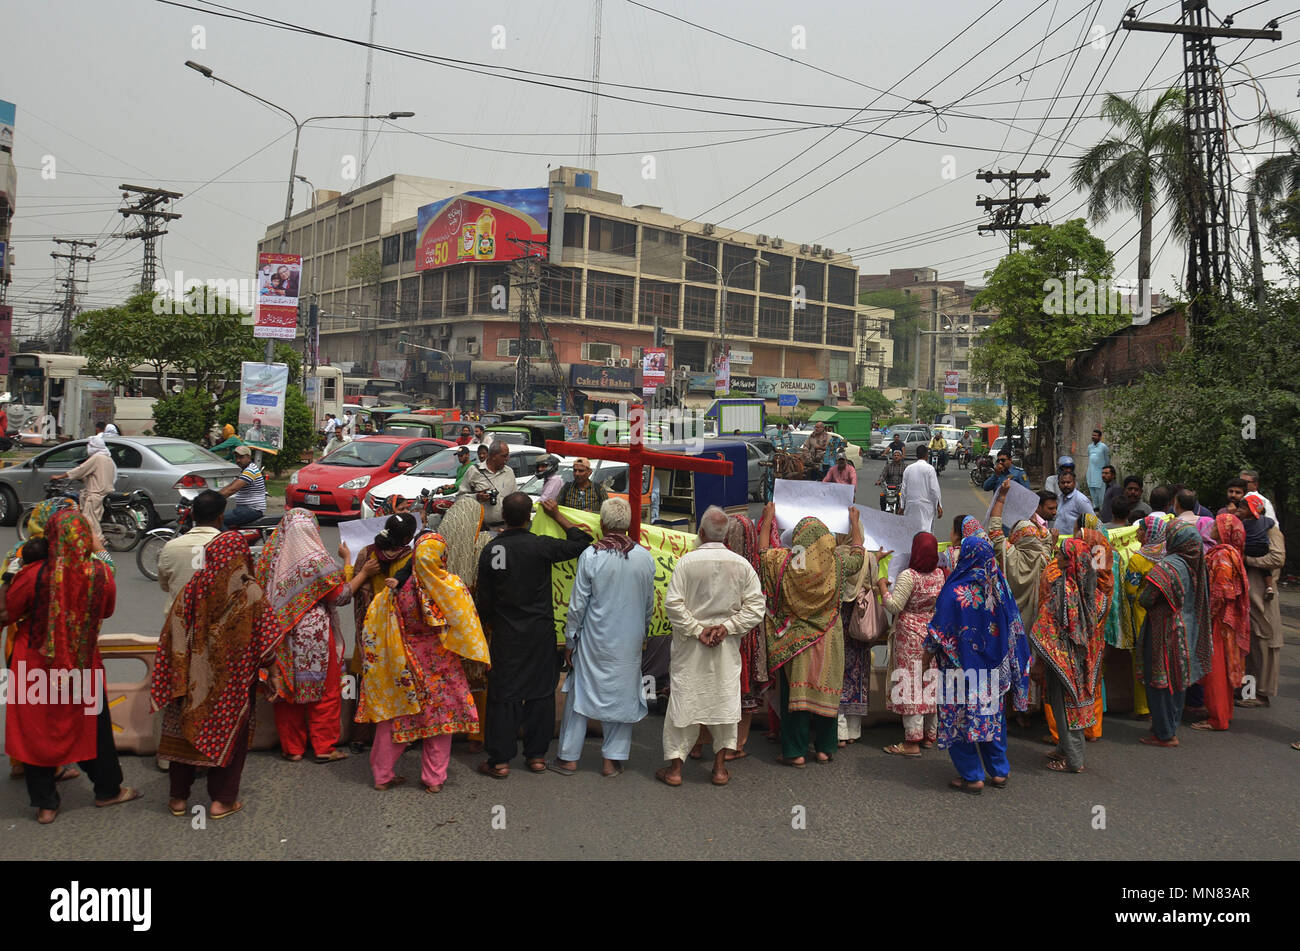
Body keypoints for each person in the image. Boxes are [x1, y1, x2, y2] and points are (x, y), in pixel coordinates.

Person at [6, 511, 139, 824]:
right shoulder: (100, 574)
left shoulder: (33, 573)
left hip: (35, 663)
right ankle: (107, 791)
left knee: (37, 730)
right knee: (93, 726)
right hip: (81, 664)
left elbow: (11, 609)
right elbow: (106, 611)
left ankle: (46, 806)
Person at [152, 528, 277, 820]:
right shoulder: (250, 591)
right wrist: (272, 672)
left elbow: (173, 632)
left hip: (189, 678)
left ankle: (178, 799)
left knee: (182, 730)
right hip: (230, 683)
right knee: (230, 733)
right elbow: (267, 640)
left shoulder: (193, 586)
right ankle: (222, 801)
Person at [356, 532, 489, 793]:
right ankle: (434, 780)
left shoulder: (394, 588)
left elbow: (375, 623)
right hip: (441, 665)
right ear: (441, 556)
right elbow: (466, 622)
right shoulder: (450, 586)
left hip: (402, 662)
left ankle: (382, 776)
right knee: (441, 719)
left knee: (395, 717)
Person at [475, 494, 592, 778]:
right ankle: (537, 756)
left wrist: (487, 626)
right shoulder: (540, 545)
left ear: (503, 514)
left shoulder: (493, 550)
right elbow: (582, 542)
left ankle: (500, 761)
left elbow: (484, 600)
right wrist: (557, 516)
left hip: (506, 634)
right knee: (541, 692)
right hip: (540, 632)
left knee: (504, 695)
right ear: (530, 516)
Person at [657, 507, 765, 787]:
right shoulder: (742, 565)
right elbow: (756, 608)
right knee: (724, 703)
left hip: (691, 648)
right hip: (725, 648)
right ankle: (718, 770)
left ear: (701, 533)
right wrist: (726, 628)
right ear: (726, 534)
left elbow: (673, 605)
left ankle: (675, 771)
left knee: (684, 701)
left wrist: (697, 630)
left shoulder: (686, 563)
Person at [551, 497, 656, 777]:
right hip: (629, 641)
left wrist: (570, 641)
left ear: (603, 524)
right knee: (622, 696)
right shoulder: (644, 557)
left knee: (579, 695)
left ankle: (569, 758)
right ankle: (612, 760)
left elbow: (577, 605)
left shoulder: (591, 556)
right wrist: (641, 635)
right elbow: (649, 605)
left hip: (593, 640)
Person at [758, 503, 865, 768]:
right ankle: (825, 749)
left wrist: (768, 518)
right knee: (826, 692)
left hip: (796, 640)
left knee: (796, 695)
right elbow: (859, 556)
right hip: (829, 637)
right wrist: (855, 523)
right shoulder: (837, 563)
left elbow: (762, 553)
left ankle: (794, 752)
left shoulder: (786, 563)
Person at [925, 533, 1031, 794]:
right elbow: (1014, 627)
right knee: (990, 720)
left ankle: (972, 776)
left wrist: (924, 660)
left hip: (958, 672)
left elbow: (938, 631)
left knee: (958, 721)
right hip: (992, 672)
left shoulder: (954, 591)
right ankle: (999, 771)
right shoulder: (1000, 589)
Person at [259, 509, 365, 764]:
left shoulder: (268, 557)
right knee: (325, 689)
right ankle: (323, 747)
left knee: (286, 688)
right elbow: (340, 596)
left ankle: (292, 748)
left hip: (280, 634)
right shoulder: (316, 560)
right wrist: (358, 570)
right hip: (315, 634)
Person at [1031, 539, 1110, 773]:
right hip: (1082, 660)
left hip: (1064, 659)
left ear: (1073, 560)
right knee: (1064, 704)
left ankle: (1073, 760)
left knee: (1066, 707)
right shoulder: (1092, 589)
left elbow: (1046, 623)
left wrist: (1038, 660)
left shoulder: (1063, 591)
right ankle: (1064, 748)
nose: (1057, 559)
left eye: (1063, 556)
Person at [344, 513, 419, 752]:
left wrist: (347, 559)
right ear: (408, 538)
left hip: (370, 634)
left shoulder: (367, 554)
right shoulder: (411, 559)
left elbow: (349, 587)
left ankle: (360, 737)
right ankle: (402, 735)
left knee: (368, 685)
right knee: (401, 684)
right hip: (399, 634)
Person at [1137, 522, 1211, 748]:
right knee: (1178, 680)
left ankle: (1164, 733)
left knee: (1159, 679)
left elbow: (1146, 598)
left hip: (1163, 630)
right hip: (1185, 629)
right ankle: (1169, 725)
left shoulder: (1167, 567)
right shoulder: (1195, 565)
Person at [878, 530, 944, 755]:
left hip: (909, 635)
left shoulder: (909, 576)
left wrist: (883, 588)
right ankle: (930, 735)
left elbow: (895, 606)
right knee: (929, 682)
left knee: (910, 685)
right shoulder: (939, 575)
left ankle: (911, 741)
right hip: (931, 633)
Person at [1190, 513, 1250, 732]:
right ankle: (1224, 712)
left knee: (1215, 669)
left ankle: (1217, 719)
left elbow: (1221, 591)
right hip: (1227, 619)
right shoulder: (1231, 552)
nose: (1213, 526)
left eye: (1217, 524)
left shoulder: (1222, 555)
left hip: (1219, 620)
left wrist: (1208, 614)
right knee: (1222, 668)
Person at [1237, 498, 1285, 709]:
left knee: (1265, 643)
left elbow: (1277, 558)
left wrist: (1249, 560)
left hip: (1263, 597)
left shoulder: (1271, 529)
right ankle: (1249, 692)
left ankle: (1262, 694)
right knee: (1251, 646)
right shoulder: (1246, 527)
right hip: (1248, 596)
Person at [157, 489, 226, 619]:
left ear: (193, 516)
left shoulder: (171, 547)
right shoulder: (228, 546)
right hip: (216, 623)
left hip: (177, 622)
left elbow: (165, 585)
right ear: (221, 518)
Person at [49, 434, 117, 541]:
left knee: (89, 522)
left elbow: (80, 469)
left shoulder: (97, 458)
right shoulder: (107, 458)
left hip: (95, 493)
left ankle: (99, 544)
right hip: (103, 491)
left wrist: (60, 476)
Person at [458, 441, 516, 527]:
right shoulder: (474, 471)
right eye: (504, 456)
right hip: (482, 529)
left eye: (508, 455)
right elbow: (459, 499)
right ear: (493, 456)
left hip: (505, 528)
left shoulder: (509, 472)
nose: (507, 459)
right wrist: (477, 497)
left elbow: (515, 498)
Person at [219, 446, 266, 529]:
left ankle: (230, 541)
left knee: (219, 520)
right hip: (245, 508)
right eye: (236, 457)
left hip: (252, 509)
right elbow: (230, 486)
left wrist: (212, 500)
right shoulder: (244, 471)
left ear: (248, 457)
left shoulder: (250, 471)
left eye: (241, 457)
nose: (238, 460)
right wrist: (212, 495)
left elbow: (232, 489)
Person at [900, 444, 943, 530]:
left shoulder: (908, 469)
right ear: (927, 455)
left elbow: (903, 489)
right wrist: (939, 505)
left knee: (911, 530)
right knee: (925, 531)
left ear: (916, 455)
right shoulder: (929, 469)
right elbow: (934, 489)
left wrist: (902, 506)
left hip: (911, 505)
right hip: (926, 506)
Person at [1052, 467, 1094, 532]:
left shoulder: (1080, 500)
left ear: (1074, 483)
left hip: (1073, 540)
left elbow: (1092, 522)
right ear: (1058, 484)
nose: (1065, 485)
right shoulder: (1060, 497)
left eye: (1068, 482)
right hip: (1060, 539)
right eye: (1062, 483)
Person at [1085, 428, 1111, 510]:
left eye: (1095, 435)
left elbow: (1107, 460)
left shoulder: (1103, 447)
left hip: (1100, 473)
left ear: (1100, 437)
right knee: (1092, 490)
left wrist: (1106, 472)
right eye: (1093, 435)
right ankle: (1095, 508)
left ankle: (1103, 509)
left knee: (1101, 492)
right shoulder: (1090, 447)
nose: (1093, 437)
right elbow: (1090, 458)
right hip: (1091, 473)